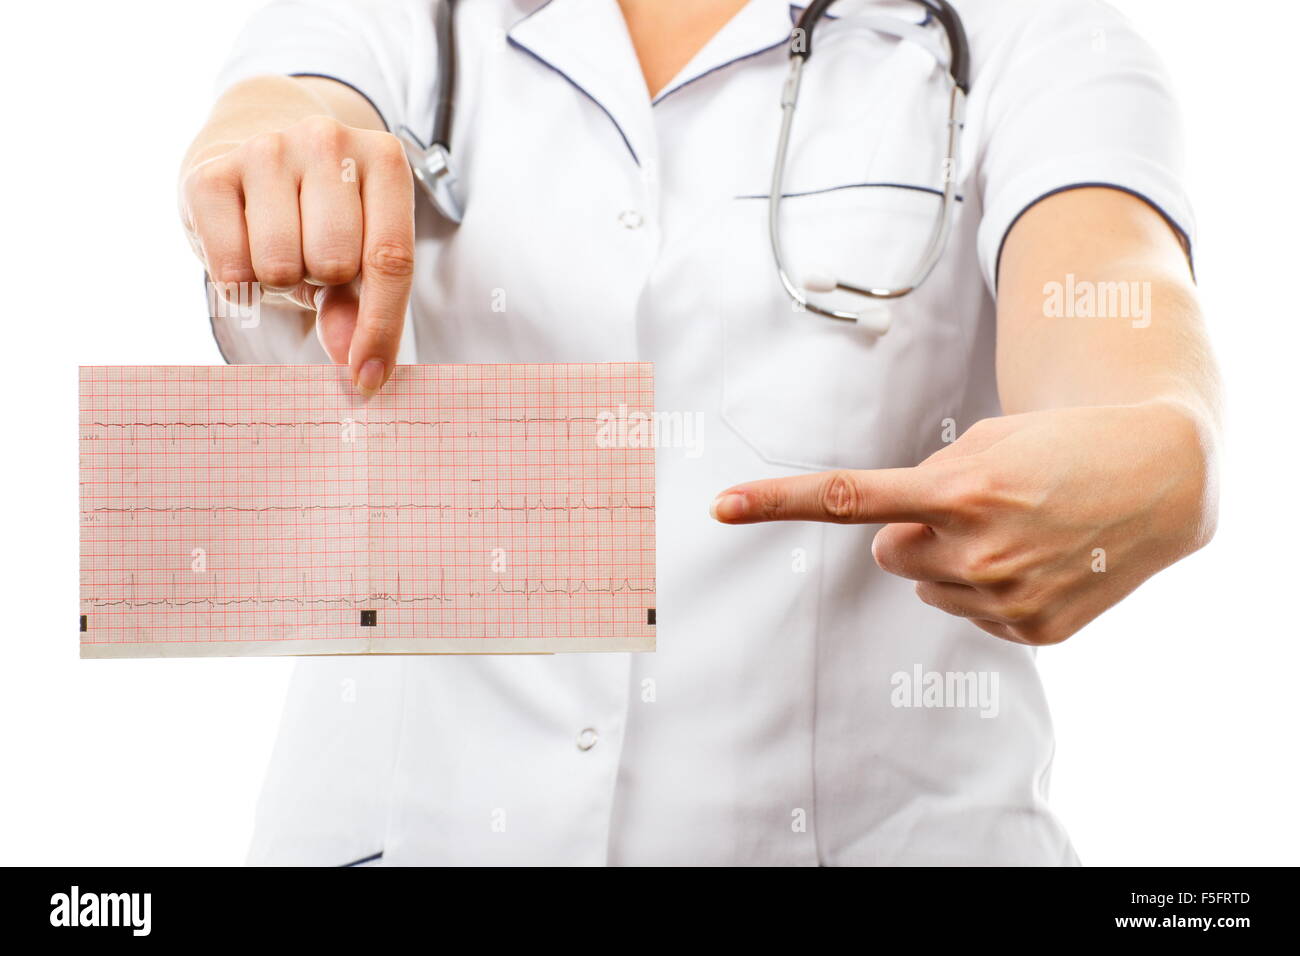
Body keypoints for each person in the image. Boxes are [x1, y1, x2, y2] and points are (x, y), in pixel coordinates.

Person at [179, 0, 1220, 865]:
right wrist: (274, 157)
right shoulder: (406, 20)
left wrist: (1164, 443)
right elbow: (294, 107)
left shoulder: (1035, 45)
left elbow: (1114, 296)